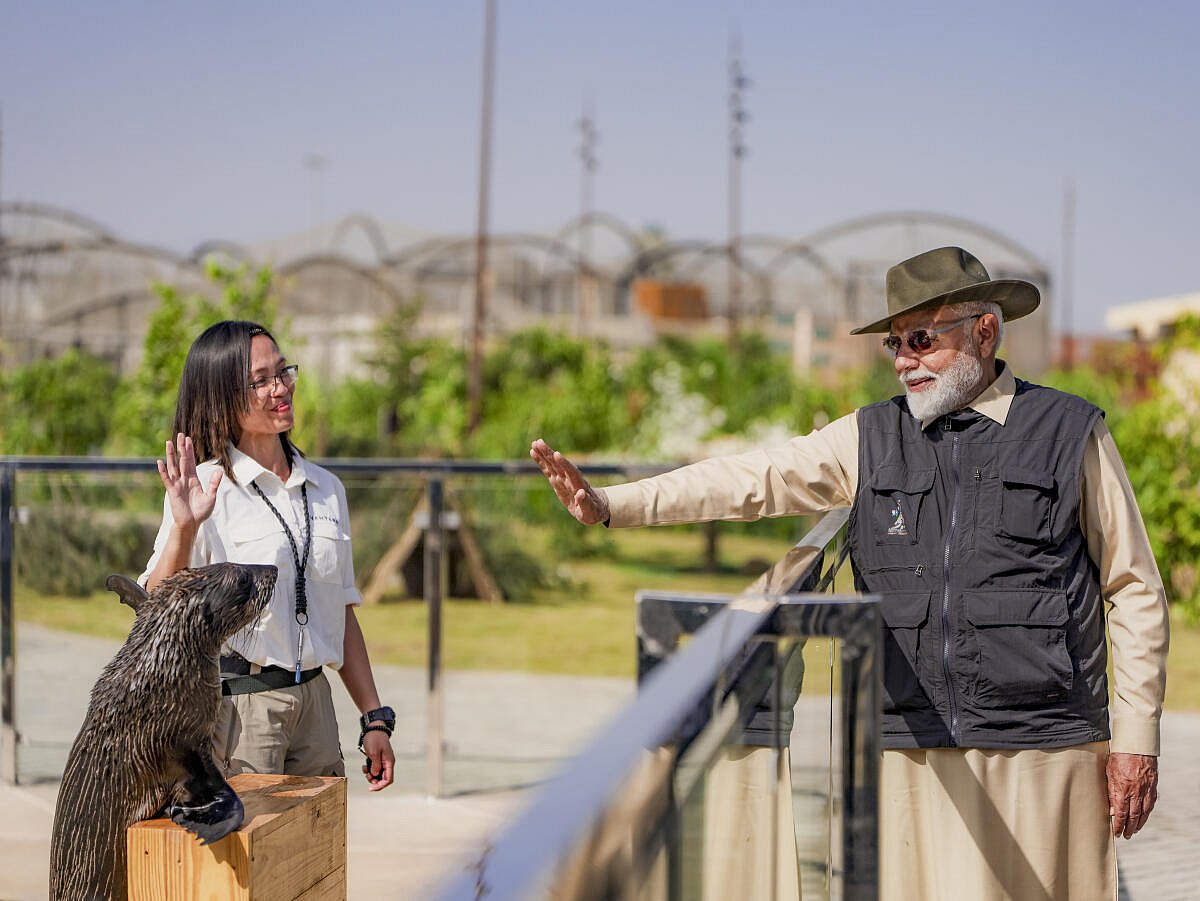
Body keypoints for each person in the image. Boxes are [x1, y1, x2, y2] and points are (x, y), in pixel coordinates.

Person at [531, 246, 1169, 900]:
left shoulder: (1069, 431)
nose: (901, 359)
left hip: (1045, 750)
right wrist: (613, 504)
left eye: (921, 339)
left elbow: (1134, 587)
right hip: (905, 745)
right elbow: (750, 478)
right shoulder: (867, 437)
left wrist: (1137, 737)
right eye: (895, 342)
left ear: (985, 330)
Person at [140, 320, 396, 790]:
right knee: (245, 859)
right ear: (222, 396)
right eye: (260, 381)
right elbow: (155, 606)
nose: (281, 388)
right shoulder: (205, 489)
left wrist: (373, 717)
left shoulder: (326, 489)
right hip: (243, 710)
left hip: (316, 705)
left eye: (283, 372)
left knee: (317, 860)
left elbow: (339, 612)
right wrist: (183, 526)